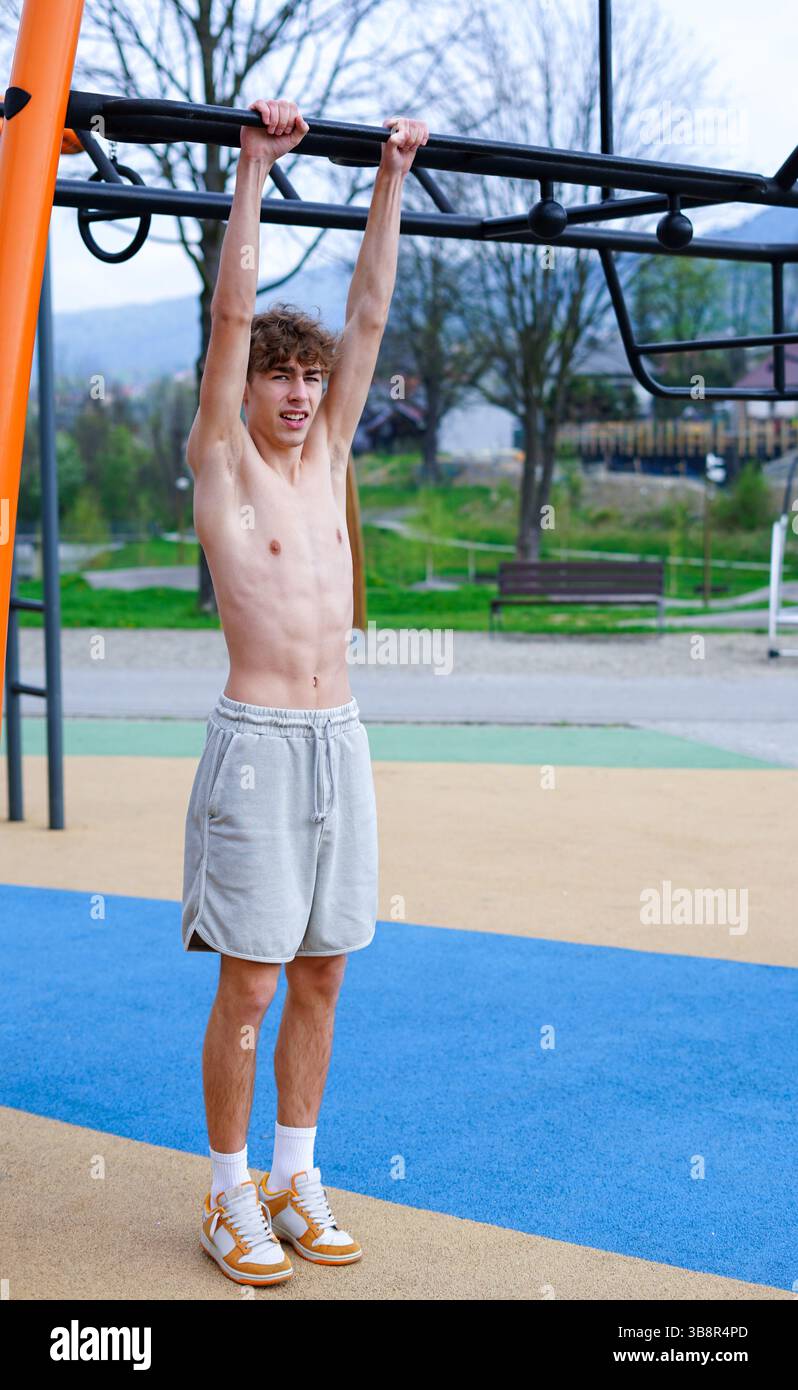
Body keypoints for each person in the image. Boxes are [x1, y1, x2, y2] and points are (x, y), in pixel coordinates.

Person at [180, 97, 428, 1285]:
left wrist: (390, 176)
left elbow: (371, 310)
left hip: (340, 738)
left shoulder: (328, 457)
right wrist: (253, 169)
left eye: (306, 376)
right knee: (255, 974)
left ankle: (293, 1171)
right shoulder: (222, 464)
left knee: (326, 967)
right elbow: (233, 308)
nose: (293, 391)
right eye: (276, 374)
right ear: (248, 386)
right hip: (258, 743)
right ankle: (226, 1191)